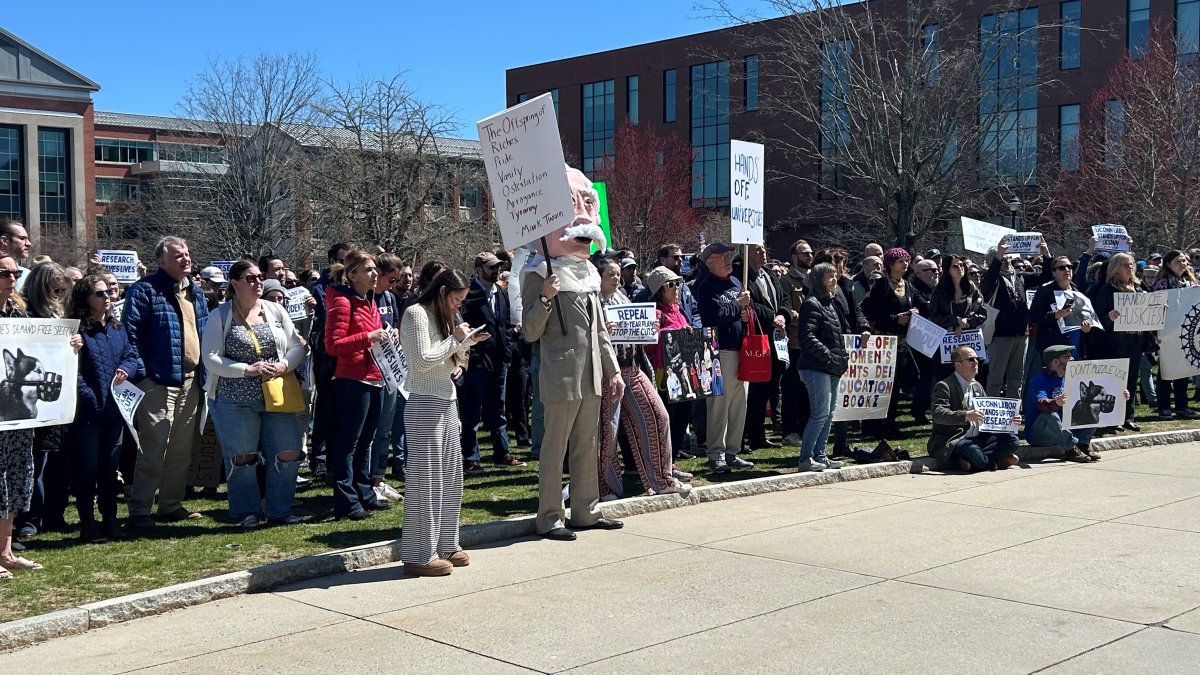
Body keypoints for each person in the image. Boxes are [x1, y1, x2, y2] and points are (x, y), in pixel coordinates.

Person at [522, 165, 624, 542]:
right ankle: (549, 516)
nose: (582, 215)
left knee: (589, 443)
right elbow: (531, 331)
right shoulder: (536, 273)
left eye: (586, 204)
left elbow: (600, 330)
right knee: (555, 448)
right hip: (561, 374)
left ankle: (586, 509)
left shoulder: (588, 275)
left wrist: (612, 371)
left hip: (592, 372)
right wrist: (546, 298)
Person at [202, 261, 308, 528]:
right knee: (243, 457)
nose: (258, 282)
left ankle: (279, 510)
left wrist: (285, 365)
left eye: (260, 277)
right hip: (233, 399)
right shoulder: (221, 315)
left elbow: (297, 345)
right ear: (235, 284)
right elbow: (211, 358)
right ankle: (246, 511)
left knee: (288, 451)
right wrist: (246, 369)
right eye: (251, 278)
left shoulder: (275, 310)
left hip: (277, 394)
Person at [399, 269, 486, 576]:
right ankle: (419, 553)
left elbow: (447, 360)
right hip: (424, 401)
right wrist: (455, 340)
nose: (457, 306)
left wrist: (464, 344)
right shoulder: (415, 314)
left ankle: (446, 543)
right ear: (442, 290)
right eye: (456, 299)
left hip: (446, 400)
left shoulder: (442, 316)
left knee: (451, 478)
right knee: (427, 480)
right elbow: (422, 361)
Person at [122, 236, 210, 527]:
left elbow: (205, 331)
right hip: (157, 381)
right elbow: (129, 335)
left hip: (190, 380)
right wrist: (143, 374)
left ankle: (170, 505)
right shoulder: (144, 290)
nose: (186, 258)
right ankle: (140, 510)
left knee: (182, 448)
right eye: (177, 255)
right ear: (161, 261)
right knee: (154, 445)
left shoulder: (195, 293)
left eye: (187, 253)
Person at [595, 261, 690, 499]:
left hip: (633, 367)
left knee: (658, 416)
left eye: (618, 274)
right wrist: (600, 331)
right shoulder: (592, 301)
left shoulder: (623, 299)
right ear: (599, 276)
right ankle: (606, 487)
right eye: (610, 274)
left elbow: (640, 335)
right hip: (607, 372)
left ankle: (661, 479)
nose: (616, 278)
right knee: (608, 430)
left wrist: (650, 327)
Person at [68, 274, 141, 543]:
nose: (107, 297)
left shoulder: (117, 328)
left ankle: (110, 518)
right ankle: (87, 522)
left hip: (115, 409)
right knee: (87, 469)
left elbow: (131, 355)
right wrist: (88, 396)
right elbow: (71, 371)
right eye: (99, 294)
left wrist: (126, 369)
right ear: (85, 299)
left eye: (109, 292)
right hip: (88, 411)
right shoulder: (77, 331)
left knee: (110, 468)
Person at [324, 250, 391, 520]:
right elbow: (333, 345)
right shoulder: (342, 302)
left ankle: (364, 493)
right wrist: (368, 336)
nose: (375, 274)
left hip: (373, 376)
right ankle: (346, 501)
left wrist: (384, 337)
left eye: (375, 269)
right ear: (352, 275)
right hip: (351, 379)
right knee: (348, 444)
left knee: (366, 442)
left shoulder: (370, 300)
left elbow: (372, 339)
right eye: (368, 270)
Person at [14, 263, 79, 539]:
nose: (60, 291)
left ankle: (54, 513)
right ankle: (29, 517)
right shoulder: (24, 314)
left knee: (58, 461)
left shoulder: (64, 315)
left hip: (58, 397)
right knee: (34, 461)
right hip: (30, 400)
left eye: (63, 287)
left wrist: (75, 342)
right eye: (54, 286)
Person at [693, 242, 755, 474]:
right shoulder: (705, 287)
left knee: (740, 404)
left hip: (742, 351)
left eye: (729, 255)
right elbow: (712, 317)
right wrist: (737, 305)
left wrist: (748, 313)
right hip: (721, 353)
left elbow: (744, 312)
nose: (729, 259)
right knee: (720, 405)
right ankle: (716, 453)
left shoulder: (737, 282)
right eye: (722, 256)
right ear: (709, 262)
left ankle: (733, 451)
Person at [458, 251, 522, 473]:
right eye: (491, 267)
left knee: (498, 410)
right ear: (478, 270)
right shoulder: (470, 295)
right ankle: (471, 457)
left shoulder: (501, 293)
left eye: (497, 267)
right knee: (472, 412)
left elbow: (504, 324)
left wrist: (508, 344)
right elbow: (464, 328)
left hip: (499, 361)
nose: (496, 271)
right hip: (478, 361)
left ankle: (501, 453)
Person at [0, 252, 42, 576]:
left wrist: (70, 345)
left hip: (16, 415)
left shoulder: (18, 311)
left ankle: (5, 551)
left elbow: (39, 351)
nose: (12, 279)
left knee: (14, 477)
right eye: (5, 273)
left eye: (15, 273)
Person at [794, 263, 853, 472]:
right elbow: (806, 337)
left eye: (835, 276)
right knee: (819, 413)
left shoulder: (829, 303)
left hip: (832, 367)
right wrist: (828, 357)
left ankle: (820, 454)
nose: (834, 280)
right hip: (816, 367)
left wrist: (839, 359)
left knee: (829, 413)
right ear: (819, 279)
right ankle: (806, 458)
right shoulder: (812, 303)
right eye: (829, 276)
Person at [929, 346, 1022, 472]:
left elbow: (988, 414)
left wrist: (1009, 420)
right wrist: (966, 415)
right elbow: (938, 414)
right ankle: (995, 463)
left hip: (979, 437)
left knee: (1013, 441)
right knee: (972, 450)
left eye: (977, 359)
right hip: (955, 438)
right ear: (958, 365)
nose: (976, 362)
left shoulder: (977, 386)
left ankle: (969, 462)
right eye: (971, 359)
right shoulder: (944, 386)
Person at [982, 237, 1051, 400]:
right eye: (1003, 257)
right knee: (996, 378)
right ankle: (992, 414)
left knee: (1016, 378)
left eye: (1008, 256)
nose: (1008, 259)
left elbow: (1044, 277)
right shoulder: (991, 278)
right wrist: (998, 256)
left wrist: (1046, 255)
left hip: (1021, 334)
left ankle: (1012, 416)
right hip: (1000, 335)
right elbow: (990, 279)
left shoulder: (1019, 275)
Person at [737, 244, 790, 451]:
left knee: (768, 387)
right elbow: (751, 305)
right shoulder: (742, 276)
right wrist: (773, 317)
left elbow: (783, 299)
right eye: (758, 250)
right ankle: (746, 436)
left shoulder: (768, 273)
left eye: (763, 249)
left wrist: (783, 315)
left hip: (775, 338)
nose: (764, 252)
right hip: (757, 339)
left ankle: (758, 435)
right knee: (754, 392)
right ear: (747, 254)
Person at [1085, 253, 1145, 432]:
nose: (1130, 267)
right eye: (1125, 265)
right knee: (1115, 380)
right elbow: (1098, 319)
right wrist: (1109, 317)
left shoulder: (1138, 288)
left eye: (1131, 264)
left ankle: (1128, 416)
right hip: (1114, 342)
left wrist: (1156, 310)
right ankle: (1113, 418)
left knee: (1132, 378)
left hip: (1134, 339)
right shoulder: (1107, 290)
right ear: (1116, 268)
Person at [308, 242, 352, 480]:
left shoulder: (352, 287)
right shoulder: (319, 289)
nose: (345, 265)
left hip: (348, 358)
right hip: (326, 357)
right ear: (331, 261)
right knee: (325, 410)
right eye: (342, 260)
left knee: (343, 412)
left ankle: (337, 459)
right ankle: (320, 459)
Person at [1025, 345, 1111, 462]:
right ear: (1055, 361)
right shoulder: (1040, 379)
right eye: (1067, 357)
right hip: (1040, 433)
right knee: (1050, 415)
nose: (1072, 360)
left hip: (1064, 428)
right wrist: (1054, 403)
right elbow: (1041, 403)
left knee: (1091, 405)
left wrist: (1122, 395)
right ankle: (1071, 450)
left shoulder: (1071, 378)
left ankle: (1082, 445)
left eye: (1071, 357)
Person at [863, 247, 916, 435]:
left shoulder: (908, 285)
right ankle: (874, 424)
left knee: (896, 384)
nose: (905, 264)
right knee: (881, 383)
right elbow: (868, 311)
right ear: (891, 264)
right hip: (883, 341)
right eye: (901, 261)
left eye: (907, 260)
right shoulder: (883, 284)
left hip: (901, 342)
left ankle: (890, 422)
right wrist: (895, 319)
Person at [368, 253, 405, 502]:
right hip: (368, 372)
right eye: (390, 279)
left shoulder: (390, 297)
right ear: (379, 274)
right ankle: (365, 479)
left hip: (390, 372)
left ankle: (378, 478)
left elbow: (395, 326)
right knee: (369, 430)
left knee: (385, 429)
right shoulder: (366, 298)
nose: (393, 285)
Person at [1151, 250, 1199, 419]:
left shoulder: (1190, 281)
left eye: (1185, 261)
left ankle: (1182, 406)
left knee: (1183, 371)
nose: (1183, 264)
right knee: (1166, 371)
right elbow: (1153, 303)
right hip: (1168, 334)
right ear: (1169, 264)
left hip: (1186, 333)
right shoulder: (1162, 283)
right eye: (1178, 261)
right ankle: (1164, 407)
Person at [929, 254, 987, 383]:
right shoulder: (939, 290)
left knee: (971, 377)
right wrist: (955, 321)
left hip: (969, 340)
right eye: (955, 266)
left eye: (962, 265)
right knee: (947, 377)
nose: (959, 268)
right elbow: (934, 316)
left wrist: (966, 323)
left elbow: (982, 313)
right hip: (946, 343)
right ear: (947, 269)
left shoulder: (972, 288)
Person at [779, 239, 813, 447]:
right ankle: (789, 430)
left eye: (810, 253)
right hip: (794, 343)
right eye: (805, 253)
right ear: (794, 257)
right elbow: (788, 312)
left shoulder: (815, 279)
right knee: (792, 390)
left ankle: (805, 429)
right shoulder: (786, 281)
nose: (809, 256)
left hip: (812, 344)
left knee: (809, 391)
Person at [0, 219, 32, 293]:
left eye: (16, 274)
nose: (28, 243)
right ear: (4, 240)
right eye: (22, 238)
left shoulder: (28, 276)